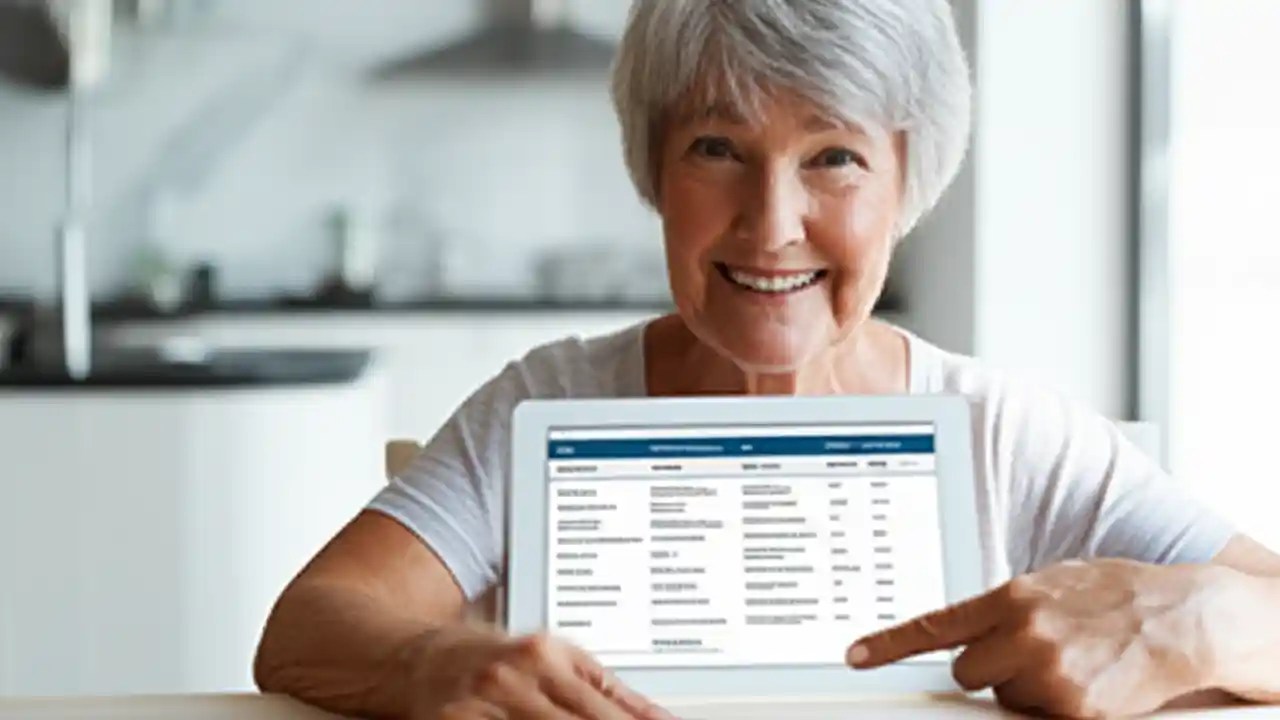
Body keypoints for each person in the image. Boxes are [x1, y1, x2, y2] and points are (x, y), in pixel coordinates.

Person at [254, 1, 1280, 718]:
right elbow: (306, 628)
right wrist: (434, 660)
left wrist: (1198, 618)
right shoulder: (546, 402)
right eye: (714, 149)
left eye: (832, 157)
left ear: (904, 181)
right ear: (652, 168)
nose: (770, 224)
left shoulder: (1006, 433)